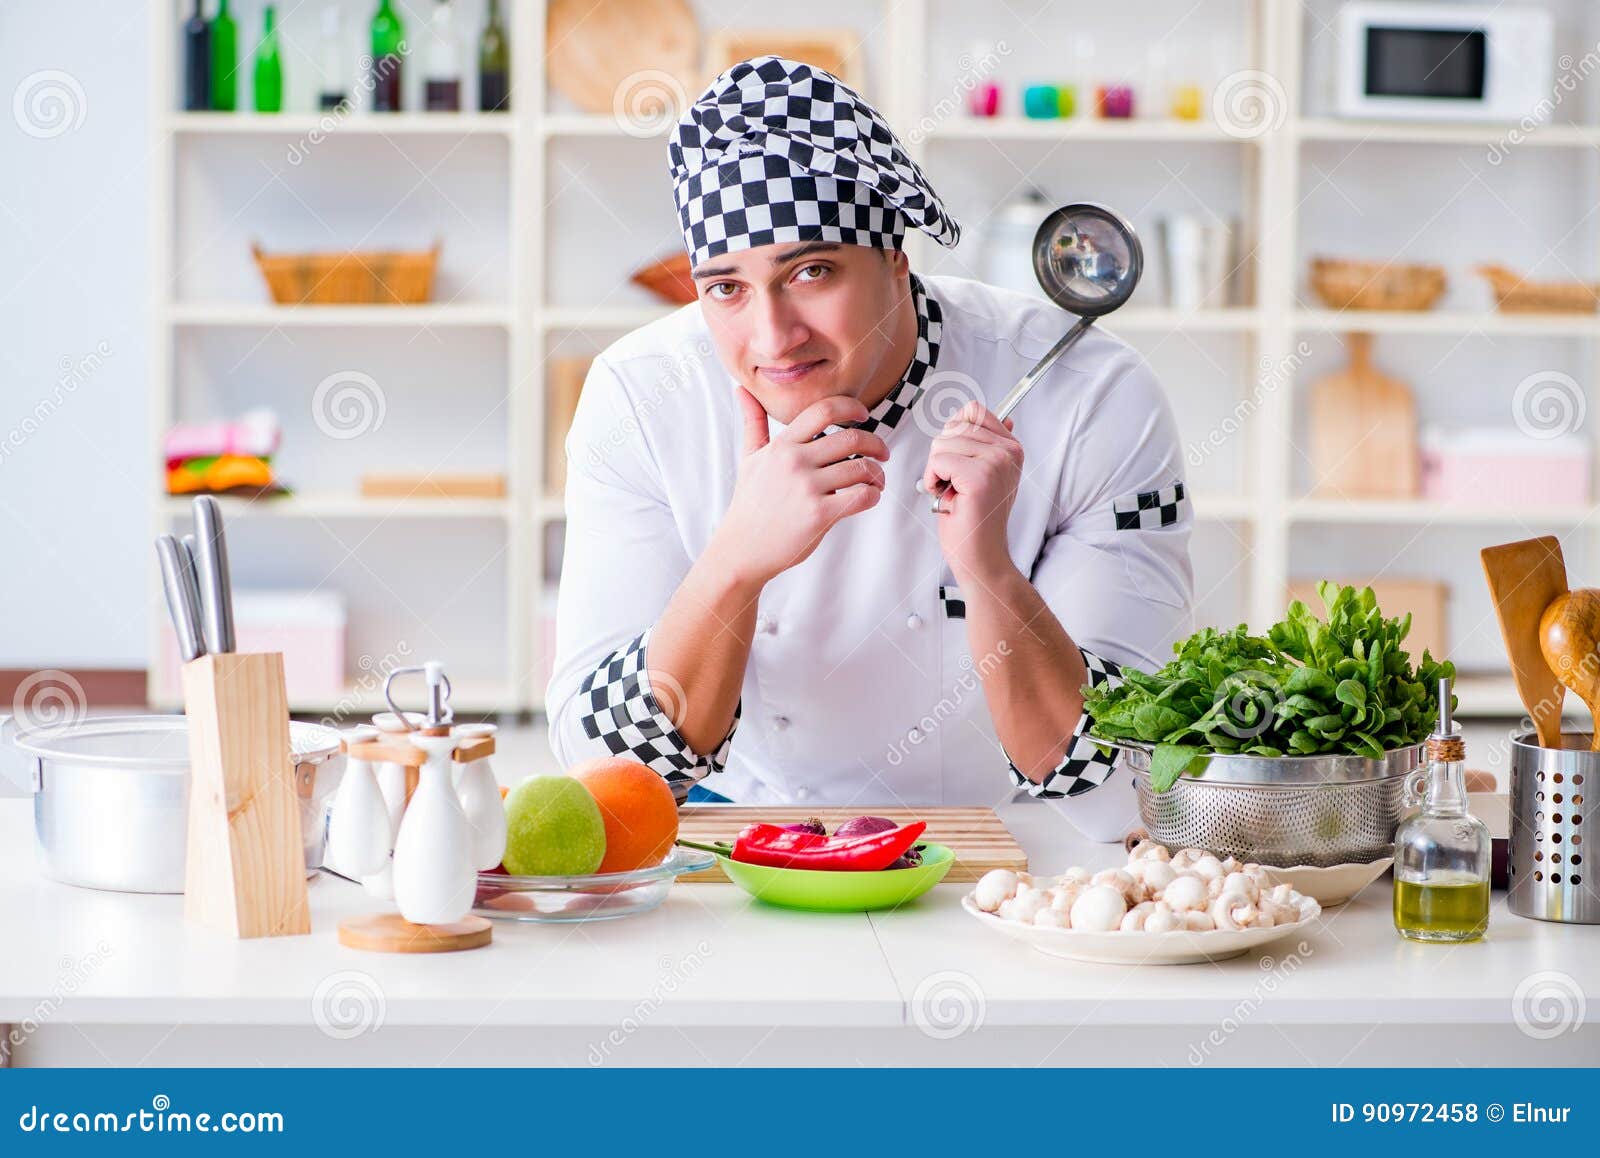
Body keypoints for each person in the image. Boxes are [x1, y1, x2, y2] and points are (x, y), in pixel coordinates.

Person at [548, 57, 1193, 840]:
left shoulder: (1092, 394)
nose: (773, 336)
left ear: (896, 257)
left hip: (1017, 837)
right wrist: (736, 562)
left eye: (812, 272)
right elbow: (602, 768)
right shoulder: (641, 396)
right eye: (726, 288)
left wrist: (988, 571)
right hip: (752, 829)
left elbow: (1126, 765)